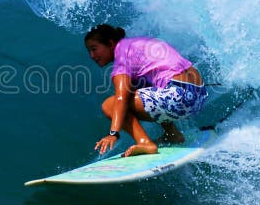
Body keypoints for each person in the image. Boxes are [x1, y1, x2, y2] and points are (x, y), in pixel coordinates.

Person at [84, 24, 208, 157]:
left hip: (179, 98)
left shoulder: (122, 56)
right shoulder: (135, 45)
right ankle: (173, 135)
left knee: (110, 105)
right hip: (198, 95)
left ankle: (145, 143)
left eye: (94, 49)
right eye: (89, 51)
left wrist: (113, 133)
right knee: (140, 87)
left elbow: (121, 99)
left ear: (110, 43)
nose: (92, 55)